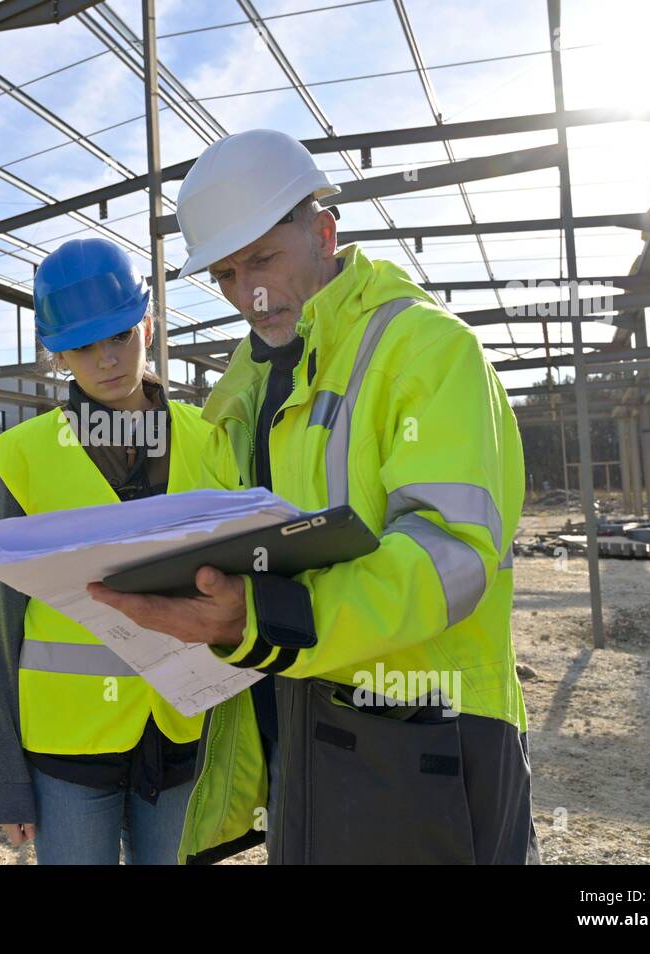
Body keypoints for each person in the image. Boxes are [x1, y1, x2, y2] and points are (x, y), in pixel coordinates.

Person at [88, 128, 538, 865]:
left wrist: (277, 617)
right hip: (299, 725)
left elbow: (453, 557)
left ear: (324, 232)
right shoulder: (250, 388)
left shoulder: (426, 349)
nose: (247, 293)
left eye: (262, 259)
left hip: (428, 737)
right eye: (227, 274)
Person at [0, 237, 221, 864]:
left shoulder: (209, 439)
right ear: (57, 352)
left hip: (180, 730)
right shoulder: (26, 458)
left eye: (119, 336)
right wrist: (4, 775)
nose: (107, 360)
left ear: (147, 323)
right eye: (83, 346)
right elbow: (4, 623)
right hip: (66, 748)